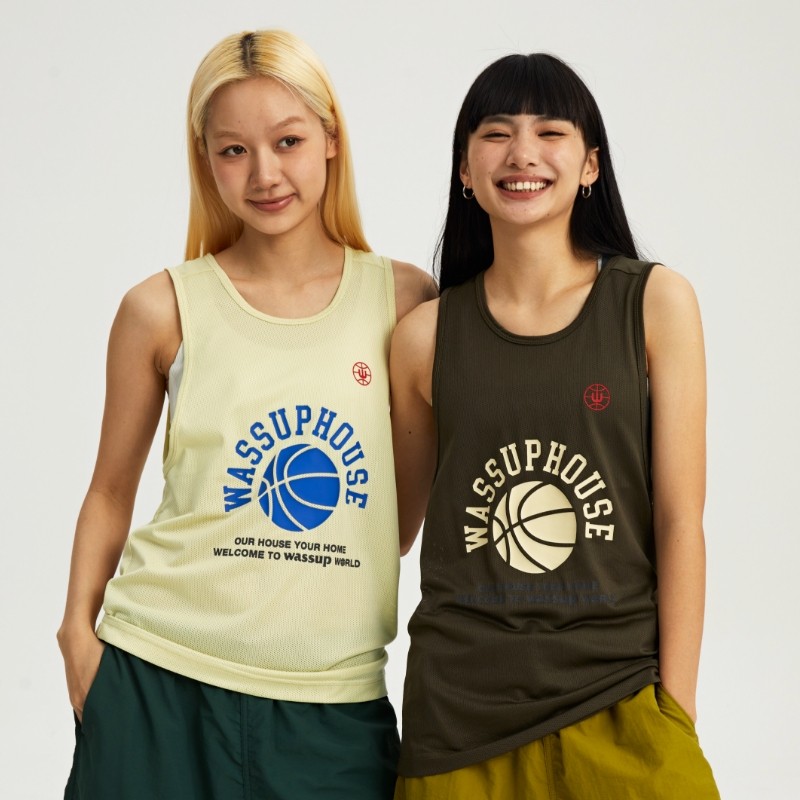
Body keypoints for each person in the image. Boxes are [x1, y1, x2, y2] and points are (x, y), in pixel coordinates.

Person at [57, 29, 435, 800]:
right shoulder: (160, 308)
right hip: (155, 684)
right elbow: (109, 492)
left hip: (331, 709)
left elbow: (393, 526)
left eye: (288, 141)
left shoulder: (404, 303)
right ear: (205, 159)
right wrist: (77, 638)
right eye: (233, 150)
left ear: (331, 138)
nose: (265, 174)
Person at [390, 53, 719, 798]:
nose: (523, 153)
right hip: (459, 720)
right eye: (496, 133)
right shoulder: (422, 338)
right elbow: (394, 532)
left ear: (590, 164)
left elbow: (680, 519)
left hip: (622, 697)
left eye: (550, 132)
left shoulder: (655, 303)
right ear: (465, 169)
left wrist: (678, 709)